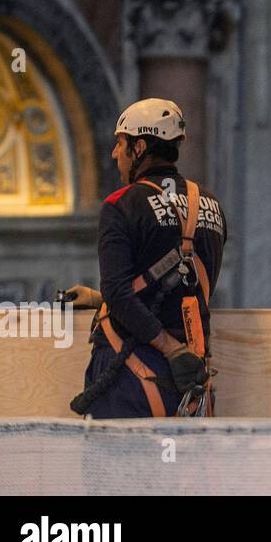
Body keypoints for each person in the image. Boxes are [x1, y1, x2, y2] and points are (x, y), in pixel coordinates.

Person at [65, 98, 226, 418]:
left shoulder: (121, 204)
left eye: (119, 143)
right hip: (191, 379)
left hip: (131, 376)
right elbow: (185, 285)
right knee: (179, 469)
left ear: (138, 147)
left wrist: (170, 349)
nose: (114, 154)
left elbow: (121, 295)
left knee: (114, 467)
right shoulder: (210, 205)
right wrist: (100, 299)